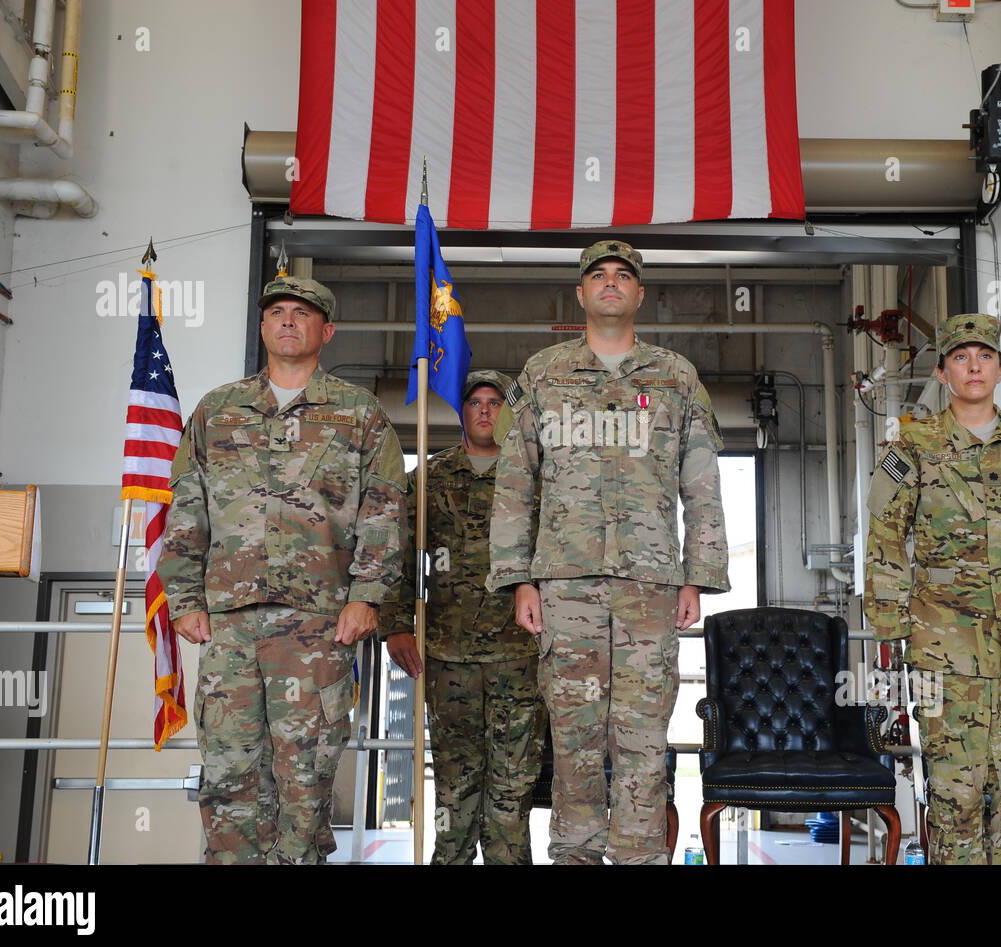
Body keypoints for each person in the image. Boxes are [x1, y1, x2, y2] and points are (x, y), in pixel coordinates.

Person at [487, 240, 730, 865]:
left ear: (640, 294)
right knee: (572, 742)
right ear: (580, 293)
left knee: (644, 744)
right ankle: (573, 857)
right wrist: (519, 578)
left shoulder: (675, 377)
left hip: (650, 587)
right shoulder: (542, 375)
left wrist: (697, 578)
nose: (612, 284)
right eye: (599, 275)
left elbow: (701, 481)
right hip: (564, 588)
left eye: (624, 276)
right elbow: (516, 482)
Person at [159, 275, 408, 864]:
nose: (289, 321)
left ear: (327, 330)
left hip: (318, 624)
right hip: (229, 622)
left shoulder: (359, 414)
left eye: (303, 312)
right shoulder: (217, 412)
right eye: (277, 312)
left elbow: (385, 507)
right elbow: (187, 507)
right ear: (264, 327)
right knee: (229, 771)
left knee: (308, 775)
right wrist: (185, 597)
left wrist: (367, 594)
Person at [863, 311, 1001, 864]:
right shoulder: (913, 441)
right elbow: (885, 532)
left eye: (984, 357)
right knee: (954, 784)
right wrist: (889, 622)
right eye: (961, 358)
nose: (974, 367)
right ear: (942, 374)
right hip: (945, 642)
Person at [380, 370, 547, 865]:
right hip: (448, 652)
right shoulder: (430, 478)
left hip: (519, 652)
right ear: (461, 411)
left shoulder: (534, 480)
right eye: (475, 402)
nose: (484, 411)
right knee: (454, 777)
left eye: (495, 402)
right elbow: (396, 554)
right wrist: (396, 624)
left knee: (513, 781)